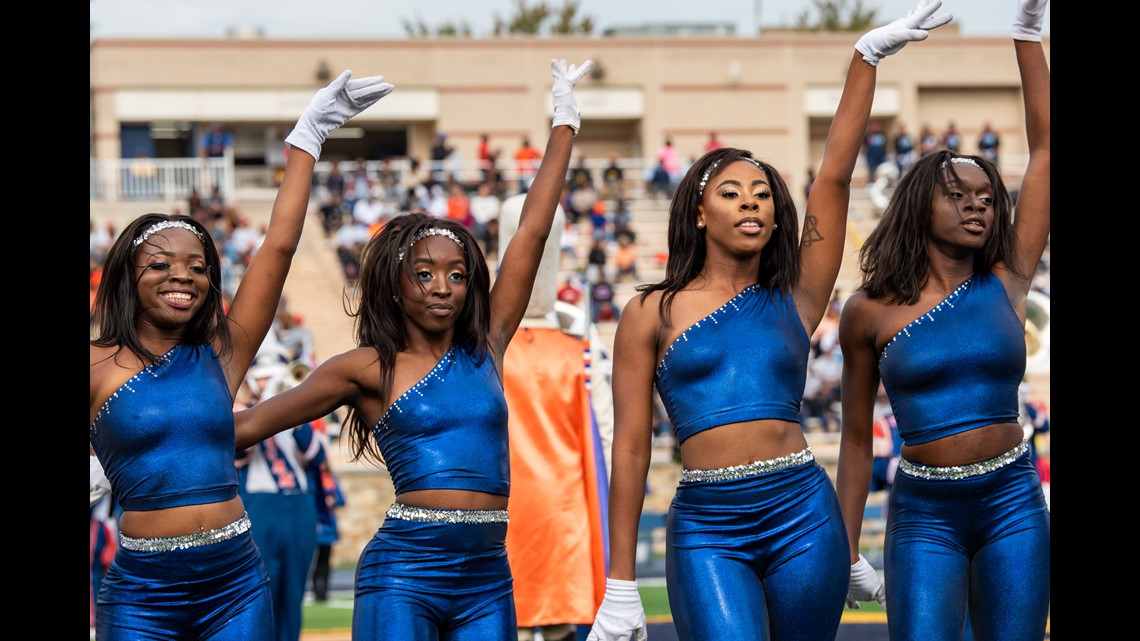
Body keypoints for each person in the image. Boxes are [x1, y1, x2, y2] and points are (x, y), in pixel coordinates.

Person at [586, 4, 950, 639]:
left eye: (762, 195)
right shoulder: (650, 311)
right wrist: (619, 583)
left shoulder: (796, 297)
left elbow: (833, 178)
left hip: (804, 515)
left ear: (778, 217)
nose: (750, 202)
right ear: (699, 213)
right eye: (730, 193)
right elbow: (632, 447)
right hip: (706, 527)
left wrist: (864, 60)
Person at [232, 58, 594, 641]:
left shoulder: (488, 345)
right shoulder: (366, 367)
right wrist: (121, 447)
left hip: (487, 575)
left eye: (457, 275)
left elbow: (531, 230)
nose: (443, 287)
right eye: (424, 274)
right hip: (404, 575)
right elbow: (245, 427)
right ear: (396, 285)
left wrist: (564, 124)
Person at [88, 69, 393, 640]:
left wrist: (308, 138)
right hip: (140, 592)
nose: (183, 275)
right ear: (128, 277)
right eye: (160, 265)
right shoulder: (95, 363)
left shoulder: (221, 354)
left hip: (234, 583)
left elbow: (278, 244)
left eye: (198, 266)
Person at [835, 3, 1050, 639]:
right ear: (919, 205)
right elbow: (855, 440)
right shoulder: (869, 310)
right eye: (958, 195)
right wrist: (846, 547)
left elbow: (1045, 152)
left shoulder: (1007, 278)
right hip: (923, 514)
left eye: (987, 198)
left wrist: (1027, 37)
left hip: (1013, 502)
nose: (978, 206)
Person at [497, 194, 613, 641]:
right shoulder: (576, 340)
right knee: (543, 614)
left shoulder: (575, 336)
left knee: (523, 613)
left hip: (522, 501)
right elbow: (604, 429)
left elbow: (604, 426)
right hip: (552, 502)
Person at [234, 337, 327, 641]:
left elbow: (317, 456)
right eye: (263, 377)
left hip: (299, 508)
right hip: (260, 508)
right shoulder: (241, 413)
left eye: (273, 376)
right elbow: (240, 452)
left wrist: (294, 415)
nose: (270, 382)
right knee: (261, 591)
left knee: (293, 590)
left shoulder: (302, 416)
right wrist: (263, 411)